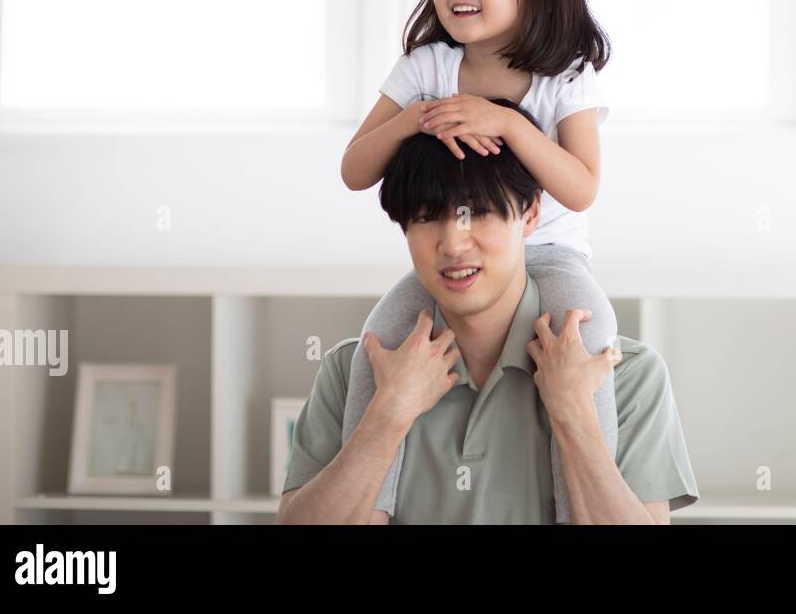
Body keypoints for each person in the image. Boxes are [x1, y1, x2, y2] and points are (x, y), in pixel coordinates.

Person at [278, 100, 698, 523]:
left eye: (477, 212)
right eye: (426, 217)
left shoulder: (628, 375)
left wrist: (573, 411)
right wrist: (389, 413)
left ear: (531, 212)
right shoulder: (355, 371)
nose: (453, 244)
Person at [338, 0, 616, 523]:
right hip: (454, 259)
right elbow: (356, 169)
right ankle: (370, 508)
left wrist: (509, 127)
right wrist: (412, 119)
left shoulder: (565, 78)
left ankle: (582, 507)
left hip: (552, 258)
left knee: (587, 339)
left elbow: (582, 187)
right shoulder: (426, 68)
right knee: (381, 342)